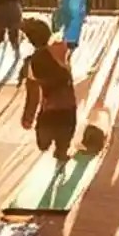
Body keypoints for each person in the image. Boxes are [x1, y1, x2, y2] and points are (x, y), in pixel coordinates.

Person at [21, 18, 77, 166]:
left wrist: (28, 117)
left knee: (43, 142)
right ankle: (61, 150)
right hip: (68, 109)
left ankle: (48, 142)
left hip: (49, 110)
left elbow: (32, 95)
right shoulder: (61, 50)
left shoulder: (32, 62)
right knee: (64, 138)